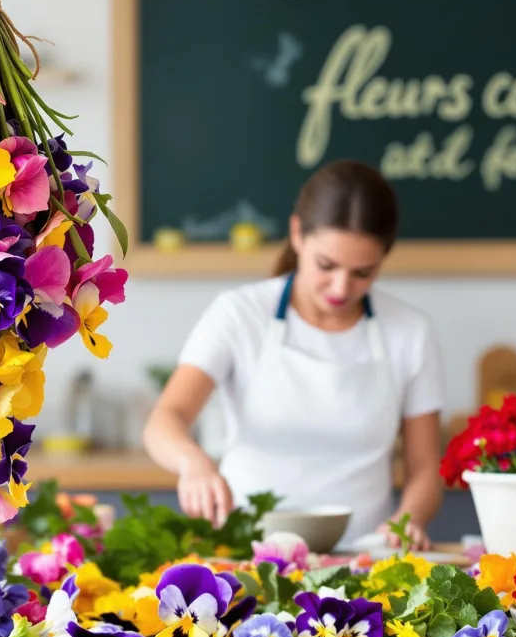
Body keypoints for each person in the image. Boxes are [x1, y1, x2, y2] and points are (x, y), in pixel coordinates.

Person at [142, 160, 444, 551]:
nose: (340, 287)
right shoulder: (238, 314)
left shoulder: (410, 331)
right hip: (247, 552)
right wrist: (192, 463)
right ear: (298, 233)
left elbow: (426, 468)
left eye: (363, 272)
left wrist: (408, 521)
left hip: (364, 556)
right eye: (326, 265)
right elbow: (164, 419)